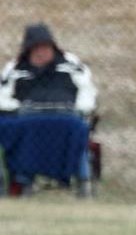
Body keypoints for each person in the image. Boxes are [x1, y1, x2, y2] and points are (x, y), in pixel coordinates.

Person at [0, 23, 97, 193]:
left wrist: (81, 108)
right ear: (28, 50)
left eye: (45, 47)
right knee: (15, 129)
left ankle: (82, 181)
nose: (41, 52)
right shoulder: (15, 68)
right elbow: (3, 96)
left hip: (65, 118)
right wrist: (18, 108)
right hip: (27, 120)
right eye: (35, 48)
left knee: (78, 128)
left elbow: (87, 90)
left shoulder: (70, 64)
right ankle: (23, 181)